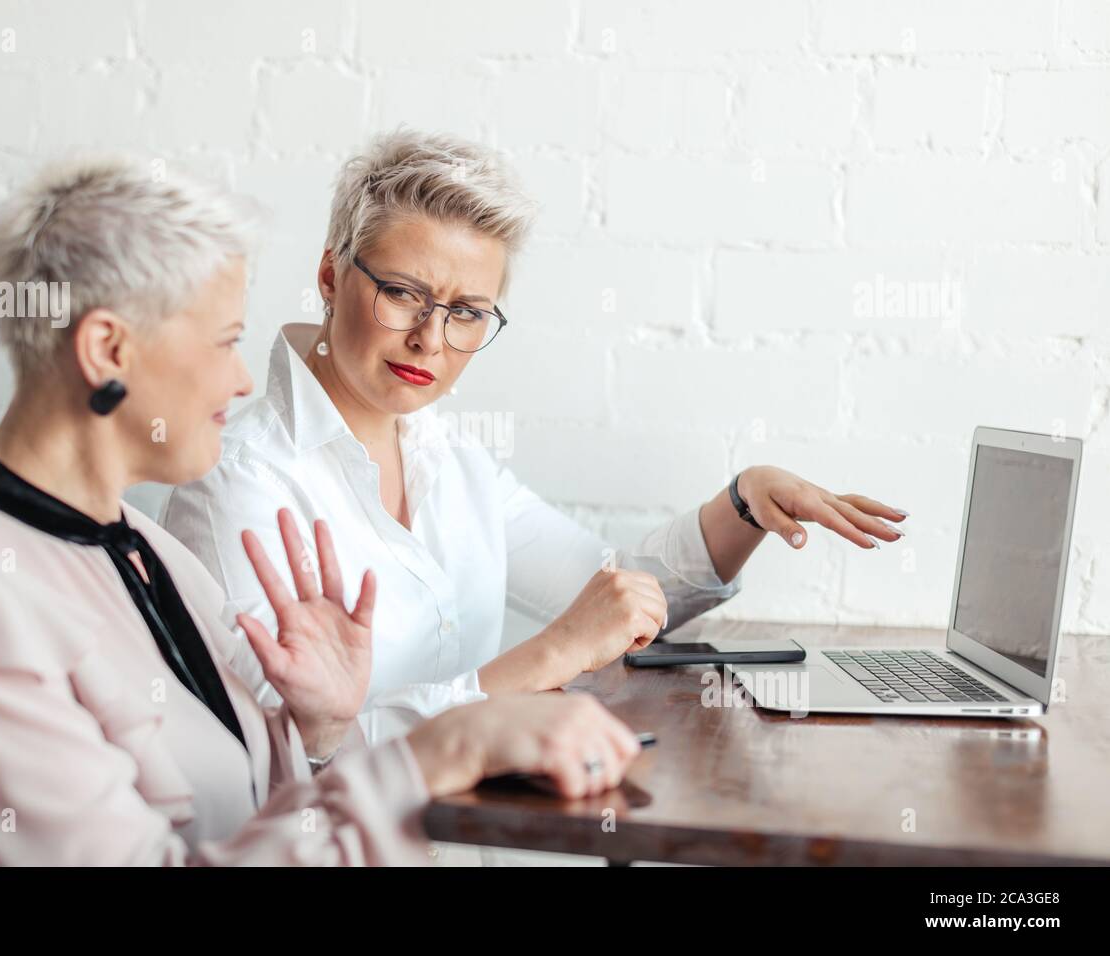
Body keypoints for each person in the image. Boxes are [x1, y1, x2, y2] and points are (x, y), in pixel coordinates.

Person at [0, 155, 641, 866]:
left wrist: (321, 728)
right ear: (108, 349)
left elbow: (256, 812)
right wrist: (447, 747)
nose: (243, 380)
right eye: (222, 341)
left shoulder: (137, 547)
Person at [162, 129, 910, 743]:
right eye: (402, 294)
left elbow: (613, 591)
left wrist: (744, 504)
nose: (430, 338)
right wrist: (549, 655)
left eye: (467, 311)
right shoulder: (239, 481)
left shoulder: (444, 455)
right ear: (330, 277)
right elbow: (274, 761)